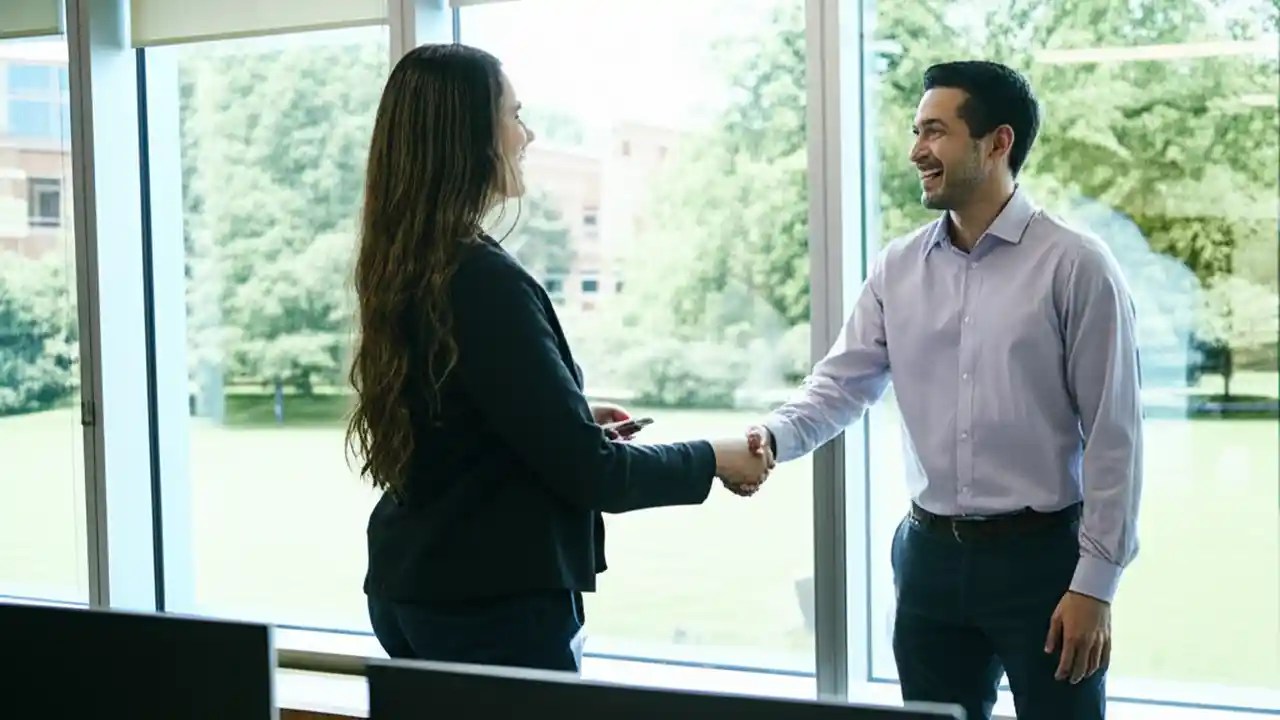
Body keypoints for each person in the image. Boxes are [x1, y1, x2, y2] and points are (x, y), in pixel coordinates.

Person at [346, 44, 770, 674]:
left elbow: (460, 423)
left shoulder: (407, 264)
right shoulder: (483, 279)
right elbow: (591, 472)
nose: (527, 134)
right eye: (513, 115)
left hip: (414, 590)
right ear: (469, 134)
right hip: (489, 607)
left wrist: (567, 412)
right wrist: (714, 456)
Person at [744, 60, 1142, 719]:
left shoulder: (1076, 264)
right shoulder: (897, 266)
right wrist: (771, 438)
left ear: (997, 142)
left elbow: (1114, 436)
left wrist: (1095, 587)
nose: (915, 151)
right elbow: (840, 387)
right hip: (927, 561)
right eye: (914, 131)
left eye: (935, 131)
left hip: (1043, 567)